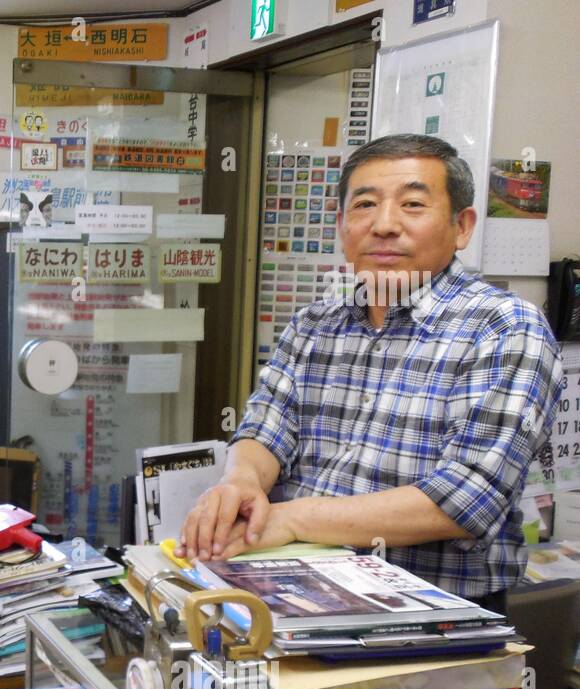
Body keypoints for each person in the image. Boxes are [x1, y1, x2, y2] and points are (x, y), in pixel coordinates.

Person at [177, 134, 563, 612]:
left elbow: (465, 498)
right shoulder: (315, 323)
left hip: (429, 619)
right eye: (364, 205)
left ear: (461, 226)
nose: (384, 225)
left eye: (413, 204)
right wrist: (241, 481)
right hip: (291, 589)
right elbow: (266, 429)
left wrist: (292, 519)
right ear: (342, 227)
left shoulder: (504, 327)